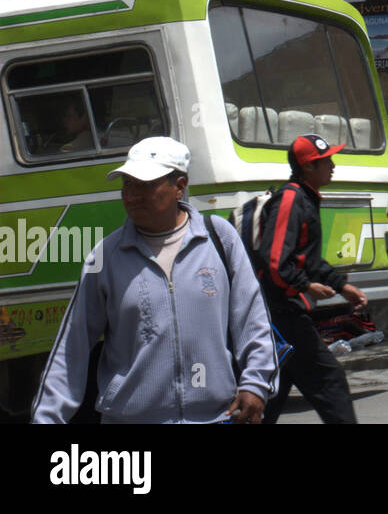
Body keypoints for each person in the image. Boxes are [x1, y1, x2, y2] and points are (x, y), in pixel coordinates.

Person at [32, 137, 277, 423]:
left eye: (146, 185)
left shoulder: (219, 238)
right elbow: (70, 348)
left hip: (214, 417)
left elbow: (253, 320)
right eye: (127, 185)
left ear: (180, 186)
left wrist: (256, 383)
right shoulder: (106, 257)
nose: (132, 195)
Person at [257, 134, 367, 424]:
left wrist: (342, 285)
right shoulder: (291, 199)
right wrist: (305, 286)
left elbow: (311, 261)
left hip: (284, 311)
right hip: (281, 312)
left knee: (271, 393)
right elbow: (275, 261)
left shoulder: (305, 198)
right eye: (325, 160)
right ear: (307, 167)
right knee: (330, 380)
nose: (332, 165)